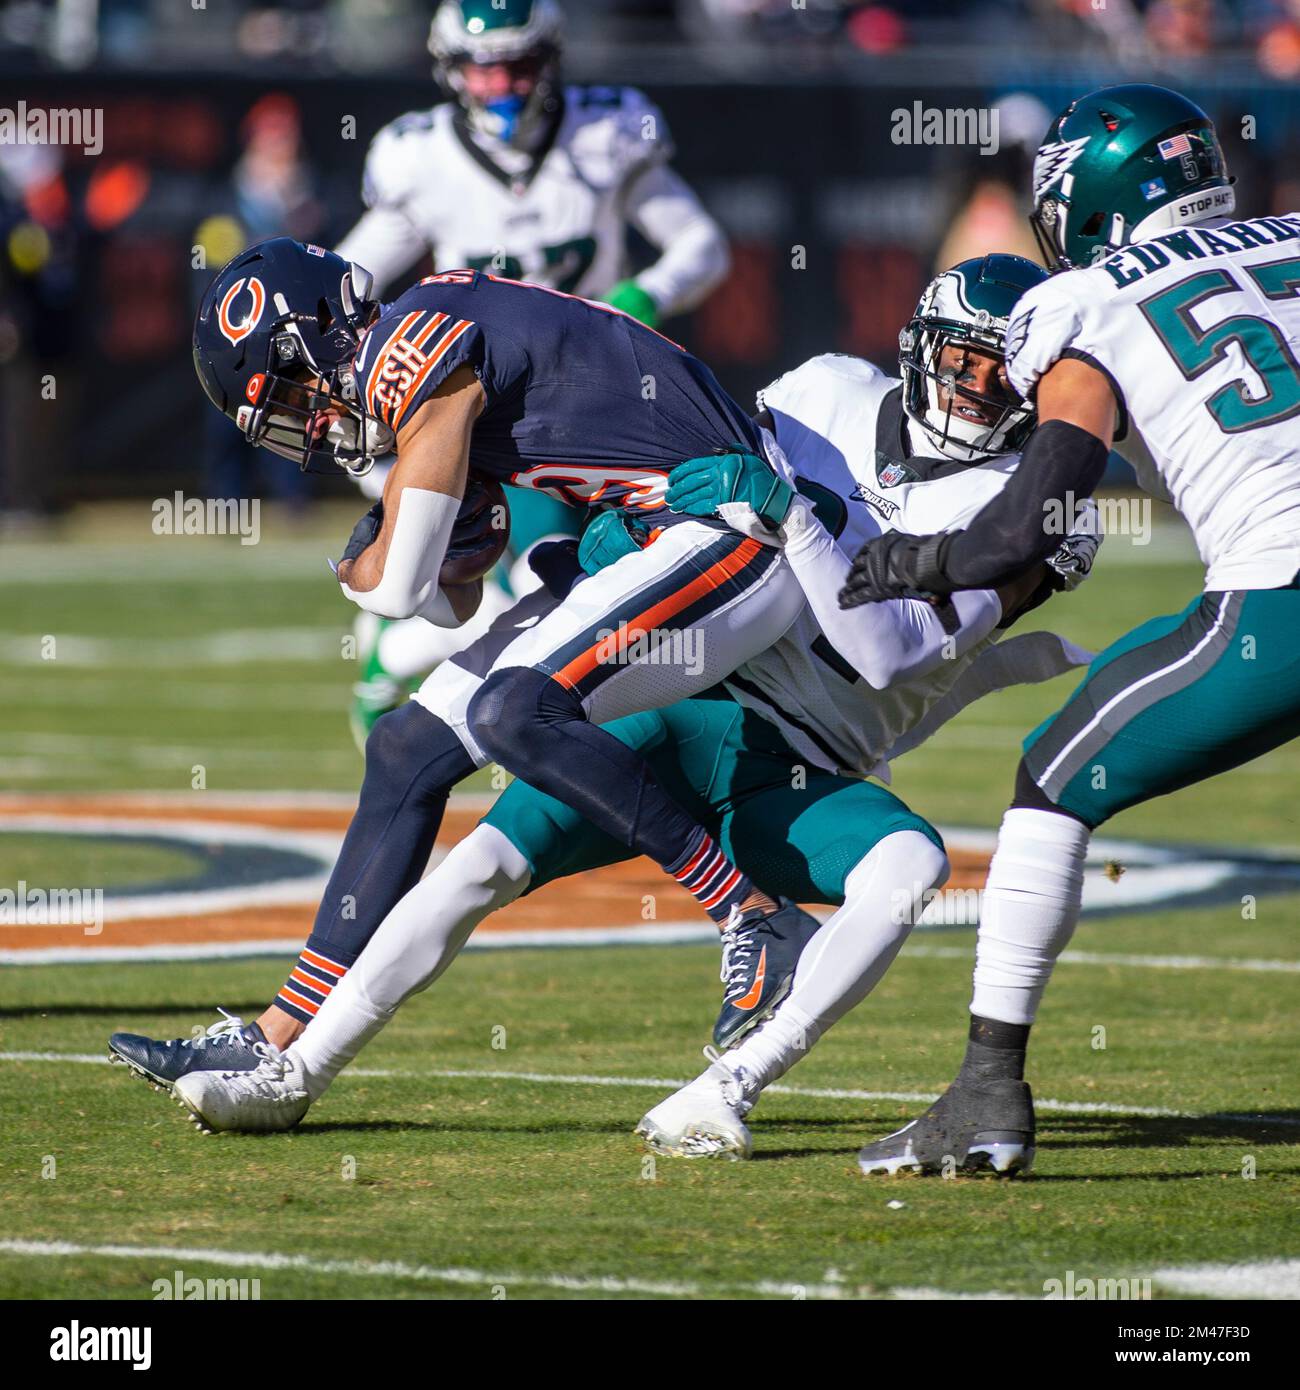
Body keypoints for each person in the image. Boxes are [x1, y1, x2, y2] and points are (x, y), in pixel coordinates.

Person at [120, 259, 1094, 1162]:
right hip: (689, 685)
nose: (980, 393)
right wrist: (601, 546)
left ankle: (735, 1048)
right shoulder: (826, 387)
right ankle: (288, 1055)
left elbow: (886, 659)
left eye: (1005, 377)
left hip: (808, 749)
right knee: (431, 783)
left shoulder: (1040, 504)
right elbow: (678, 457)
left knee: (905, 865)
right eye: (966, 365)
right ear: (918, 346)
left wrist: (787, 520)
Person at [842, 85, 1300, 1176]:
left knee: (1052, 777)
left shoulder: (1084, 303)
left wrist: (916, 561)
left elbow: (1026, 522)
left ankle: (986, 1092)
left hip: (1280, 600)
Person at [336, 0, 731, 738]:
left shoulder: (607, 132)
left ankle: (409, 660)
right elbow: (349, 285)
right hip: (498, 413)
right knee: (552, 579)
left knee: (644, 568)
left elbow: (701, 247)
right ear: (451, 69)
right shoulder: (420, 158)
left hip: (613, 393)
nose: (502, 86)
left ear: (549, 60)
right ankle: (418, 672)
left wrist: (644, 292)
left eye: (517, 66)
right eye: (483, 68)